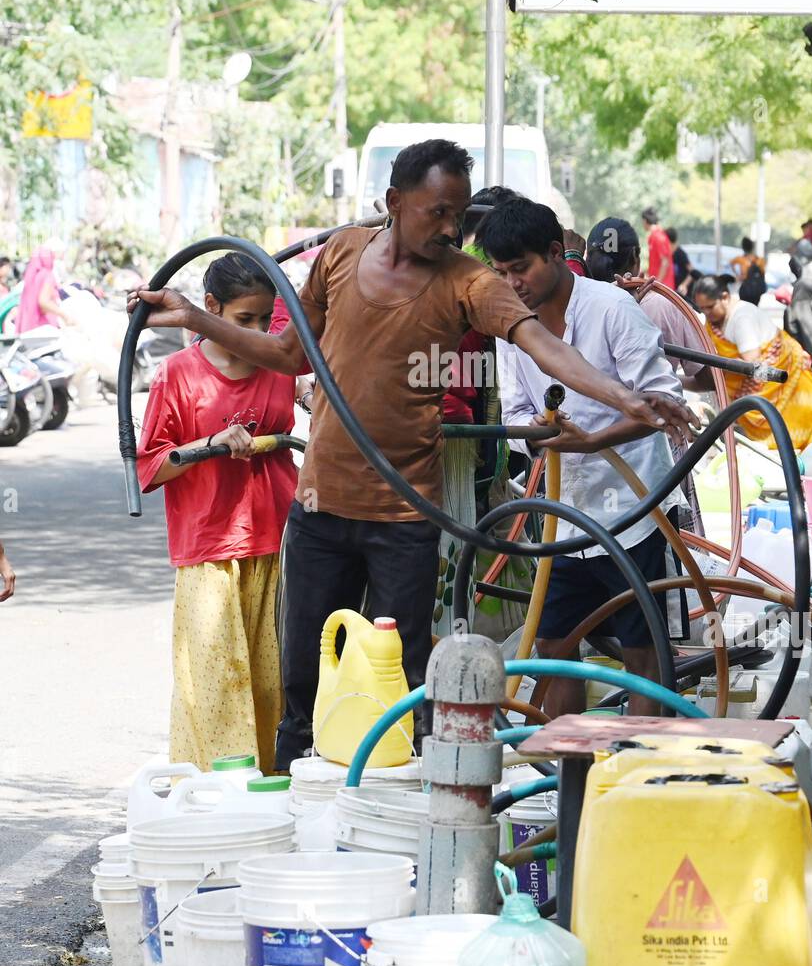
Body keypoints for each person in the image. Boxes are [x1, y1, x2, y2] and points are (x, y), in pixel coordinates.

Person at [130, 139, 693, 768]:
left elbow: (540, 343)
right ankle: (296, 803)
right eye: (438, 213)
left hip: (404, 516)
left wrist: (626, 396)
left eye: (458, 214)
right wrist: (192, 317)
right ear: (396, 203)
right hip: (320, 508)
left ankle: (410, 816)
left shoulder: (468, 281)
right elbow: (291, 355)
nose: (452, 229)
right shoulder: (341, 253)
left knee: (405, 679)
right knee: (306, 680)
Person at [480, 197, 691, 719]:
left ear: (556, 254)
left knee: (643, 652)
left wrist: (595, 440)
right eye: (501, 272)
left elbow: (664, 404)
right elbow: (520, 413)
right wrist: (539, 436)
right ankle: (567, 778)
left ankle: (637, 773)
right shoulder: (512, 327)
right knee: (554, 649)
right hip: (564, 517)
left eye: (521, 268)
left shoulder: (612, 309)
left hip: (633, 513)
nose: (513, 283)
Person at [135, 253, 297, 773]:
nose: (255, 331)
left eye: (263, 320)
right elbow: (149, 467)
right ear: (210, 308)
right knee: (215, 686)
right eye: (243, 320)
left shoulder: (280, 366)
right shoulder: (177, 375)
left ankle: (271, 794)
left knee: (273, 682)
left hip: (276, 541)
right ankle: (216, 799)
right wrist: (208, 443)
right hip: (209, 552)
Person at [585, 216, 705, 536]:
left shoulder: (575, 305)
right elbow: (705, 377)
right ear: (636, 258)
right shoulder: (659, 304)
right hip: (655, 444)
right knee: (664, 547)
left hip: (591, 452)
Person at [692, 273, 812, 451]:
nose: (706, 313)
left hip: (779, 379)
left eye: (709, 307)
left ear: (724, 297)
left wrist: (713, 373)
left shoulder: (741, 317)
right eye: (702, 309)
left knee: (785, 439)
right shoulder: (715, 321)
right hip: (753, 383)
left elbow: (751, 364)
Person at [15, 246, 73, 331]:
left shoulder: (31, 276)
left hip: (27, 328)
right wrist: (64, 315)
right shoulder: (47, 275)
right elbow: (43, 301)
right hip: (43, 328)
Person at [642, 207, 675, 289]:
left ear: (645, 221)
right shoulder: (654, 236)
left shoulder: (658, 236)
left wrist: (658, 283)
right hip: (658, 286)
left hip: (663, 289)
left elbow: (665, 261)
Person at [665, 228, 691, 296]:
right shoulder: (667, 255)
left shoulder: (680, 253)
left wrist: (684, 285)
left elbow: (692, 272)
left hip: (683, 294)